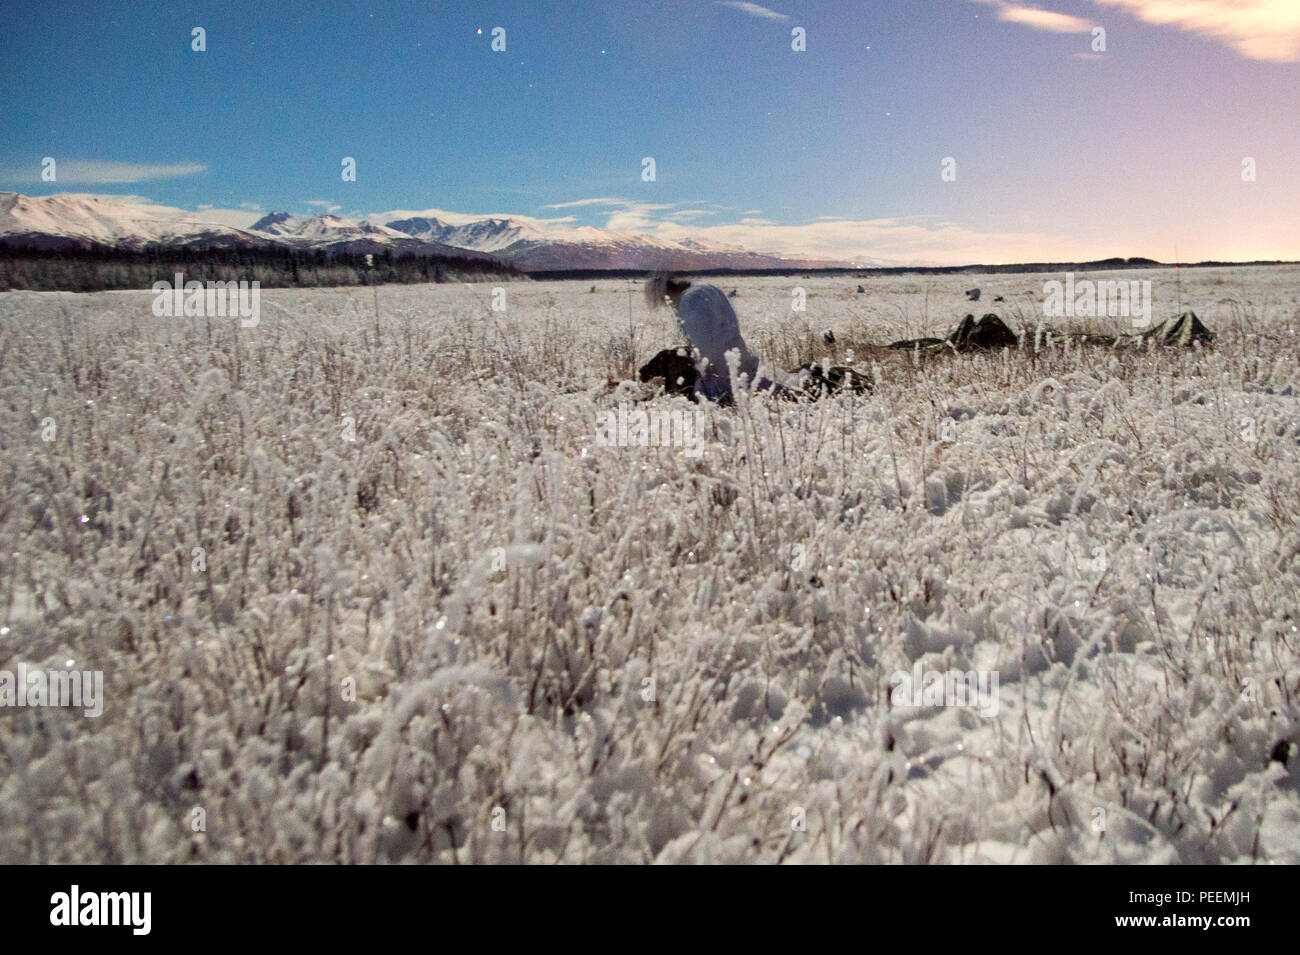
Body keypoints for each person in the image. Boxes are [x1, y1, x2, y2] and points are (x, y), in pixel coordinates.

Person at [644, 273, 789, 404]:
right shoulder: (706, 288)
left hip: (721, 373)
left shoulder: (688, 302)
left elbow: (705, 345)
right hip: (739, 359)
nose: (669, 306)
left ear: (666, 294)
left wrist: (703, 373)